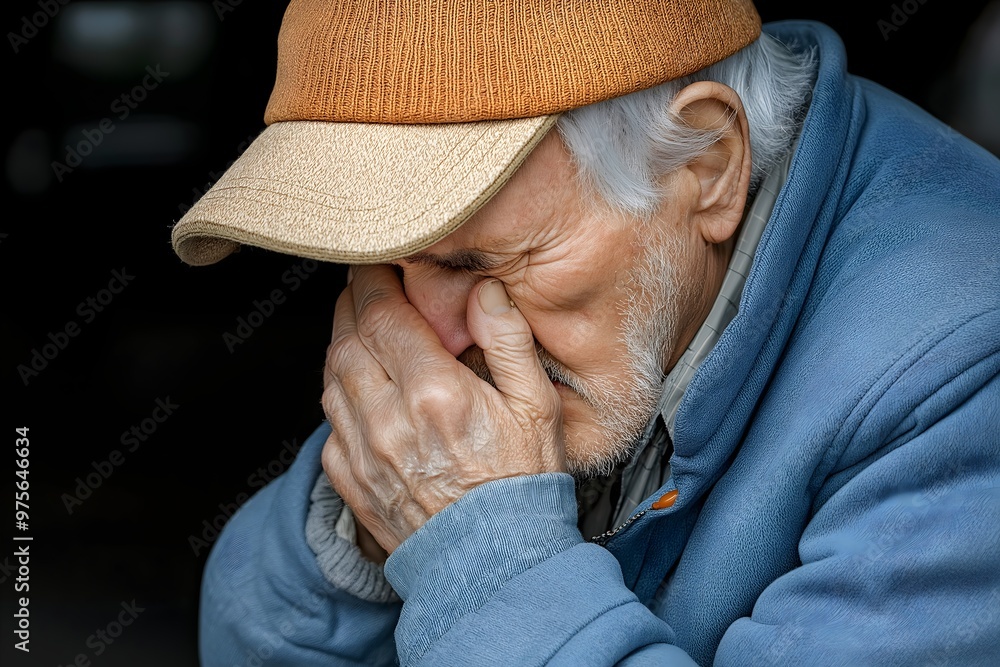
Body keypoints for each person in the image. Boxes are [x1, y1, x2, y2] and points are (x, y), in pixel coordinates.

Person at [171, 1, 1000, 664]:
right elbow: (245, 639)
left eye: (473, 261)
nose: (428, 332)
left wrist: (479, 552)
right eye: (383, 263)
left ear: (706, 165)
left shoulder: (966, 373)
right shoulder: (548, 322)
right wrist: (376, 523)